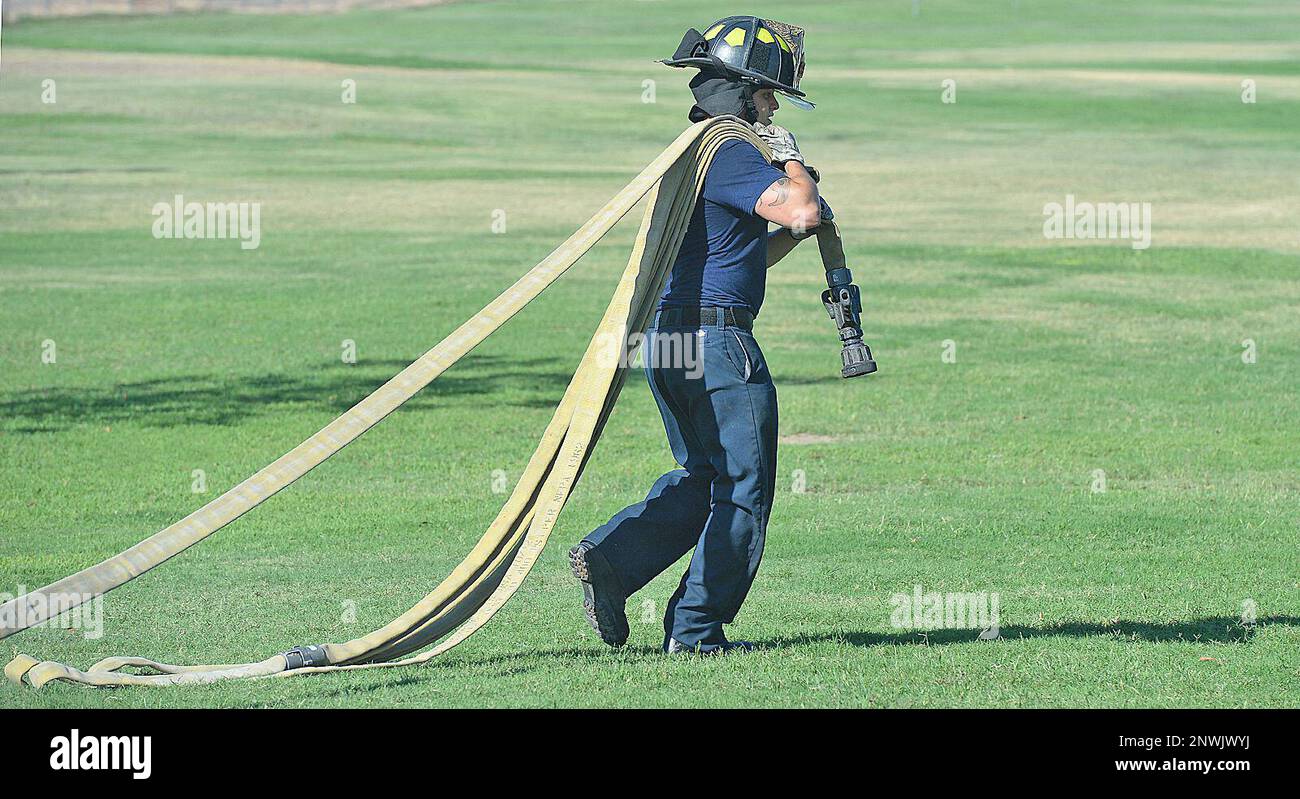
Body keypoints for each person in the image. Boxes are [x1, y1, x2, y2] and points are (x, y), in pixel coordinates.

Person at [569, 16, 830, 655]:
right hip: (718, 345)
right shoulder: (735, 150)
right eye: (768, 98)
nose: (772, 110)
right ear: (744, 93)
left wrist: (787, 242)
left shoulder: (696, 152)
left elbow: (736, 253)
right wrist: (791, 157)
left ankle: (614, 561)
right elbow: (802, 206)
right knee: (743, 486)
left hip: (671, 337)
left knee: (704, 474)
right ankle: (694, 631)